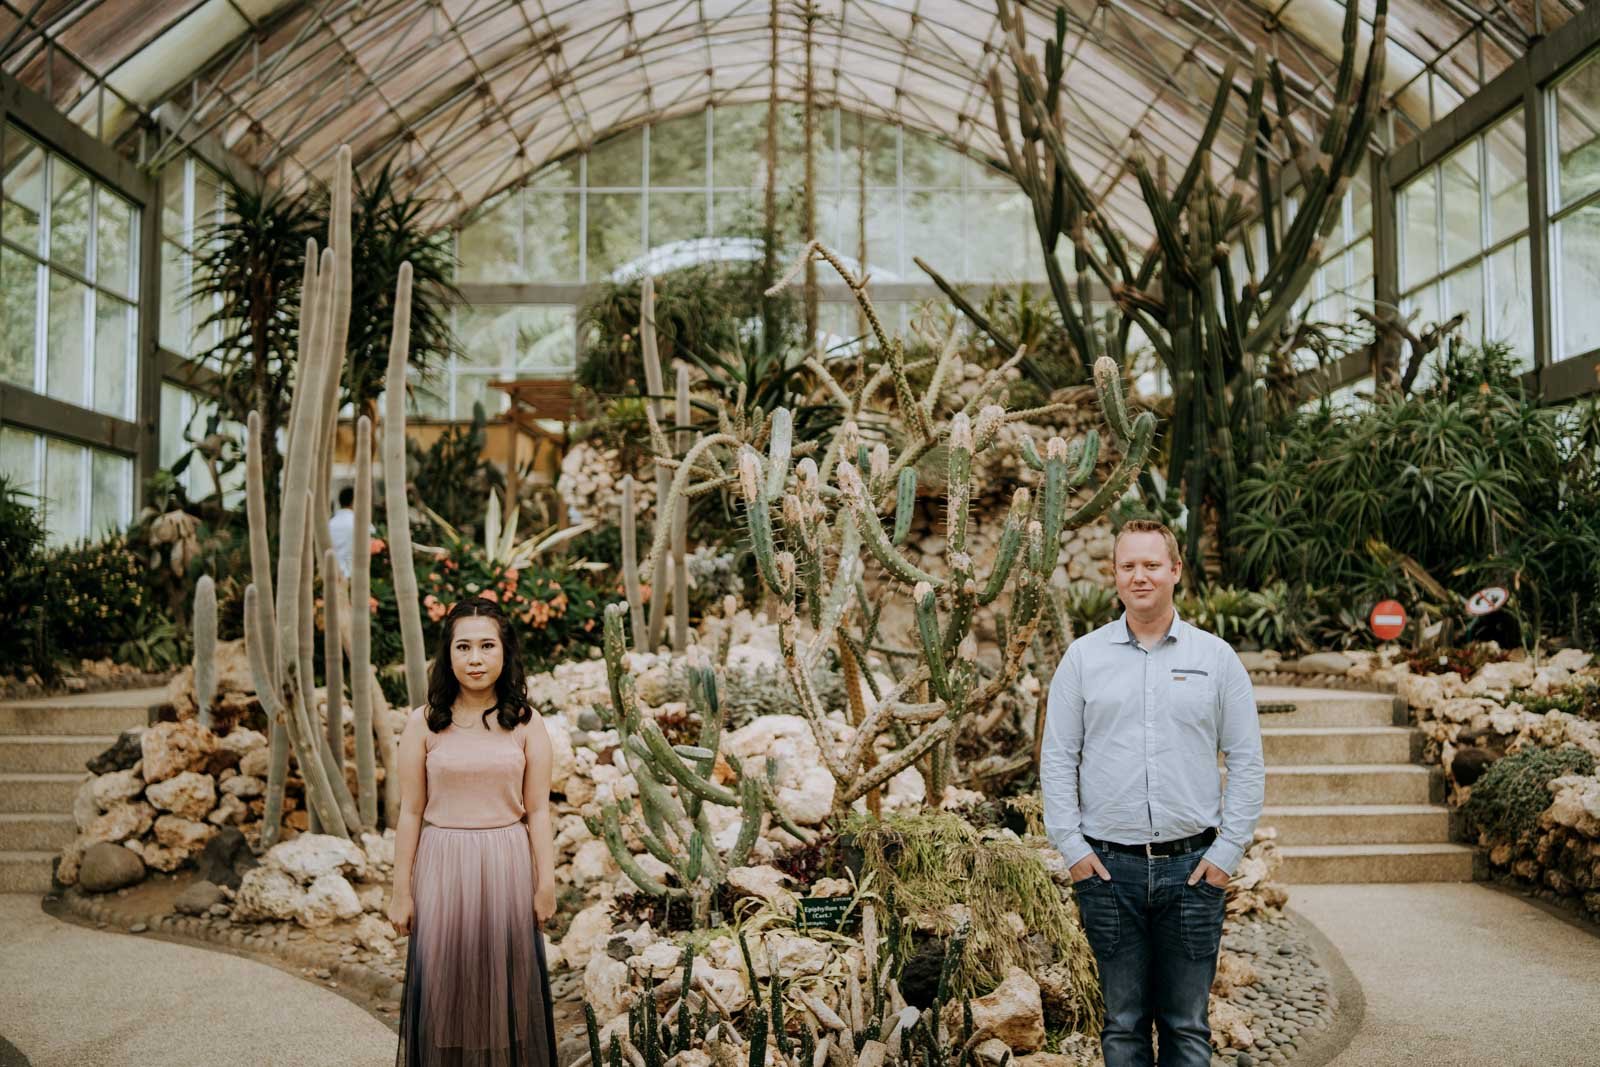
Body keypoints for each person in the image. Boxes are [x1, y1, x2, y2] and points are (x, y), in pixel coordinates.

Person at [1039, 519, 1264, 1067]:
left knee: (1188, 1027)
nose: (1140, 576)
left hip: (1193, 871)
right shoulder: (1083, 659)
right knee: (1122, 1025)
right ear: (1115, 574)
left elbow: (1247, 760)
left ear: (1175, 571)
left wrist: (1225, 854)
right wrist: (1074, 851)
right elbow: (1057, 758)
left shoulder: (1216, 658)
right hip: (1107, 874)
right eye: (1128, 566)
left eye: (1151, 565)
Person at [390, 597, 558, 1067]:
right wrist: (399, 891)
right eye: (463, 647)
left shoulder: (527, 724)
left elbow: (539, 812)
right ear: (448, 655)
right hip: (441, 862)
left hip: (507, 861)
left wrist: (545, 883)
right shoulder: (423, 724)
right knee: (446, 992)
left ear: (505, 653)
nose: (475, 658)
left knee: (504, 995)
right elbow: (409, 812)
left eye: (487, 646)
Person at [329, 486, 357, 577]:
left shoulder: (330, 523)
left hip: (332, 574)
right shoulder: (360, 523)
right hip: (353, 575)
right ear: (354, 502)